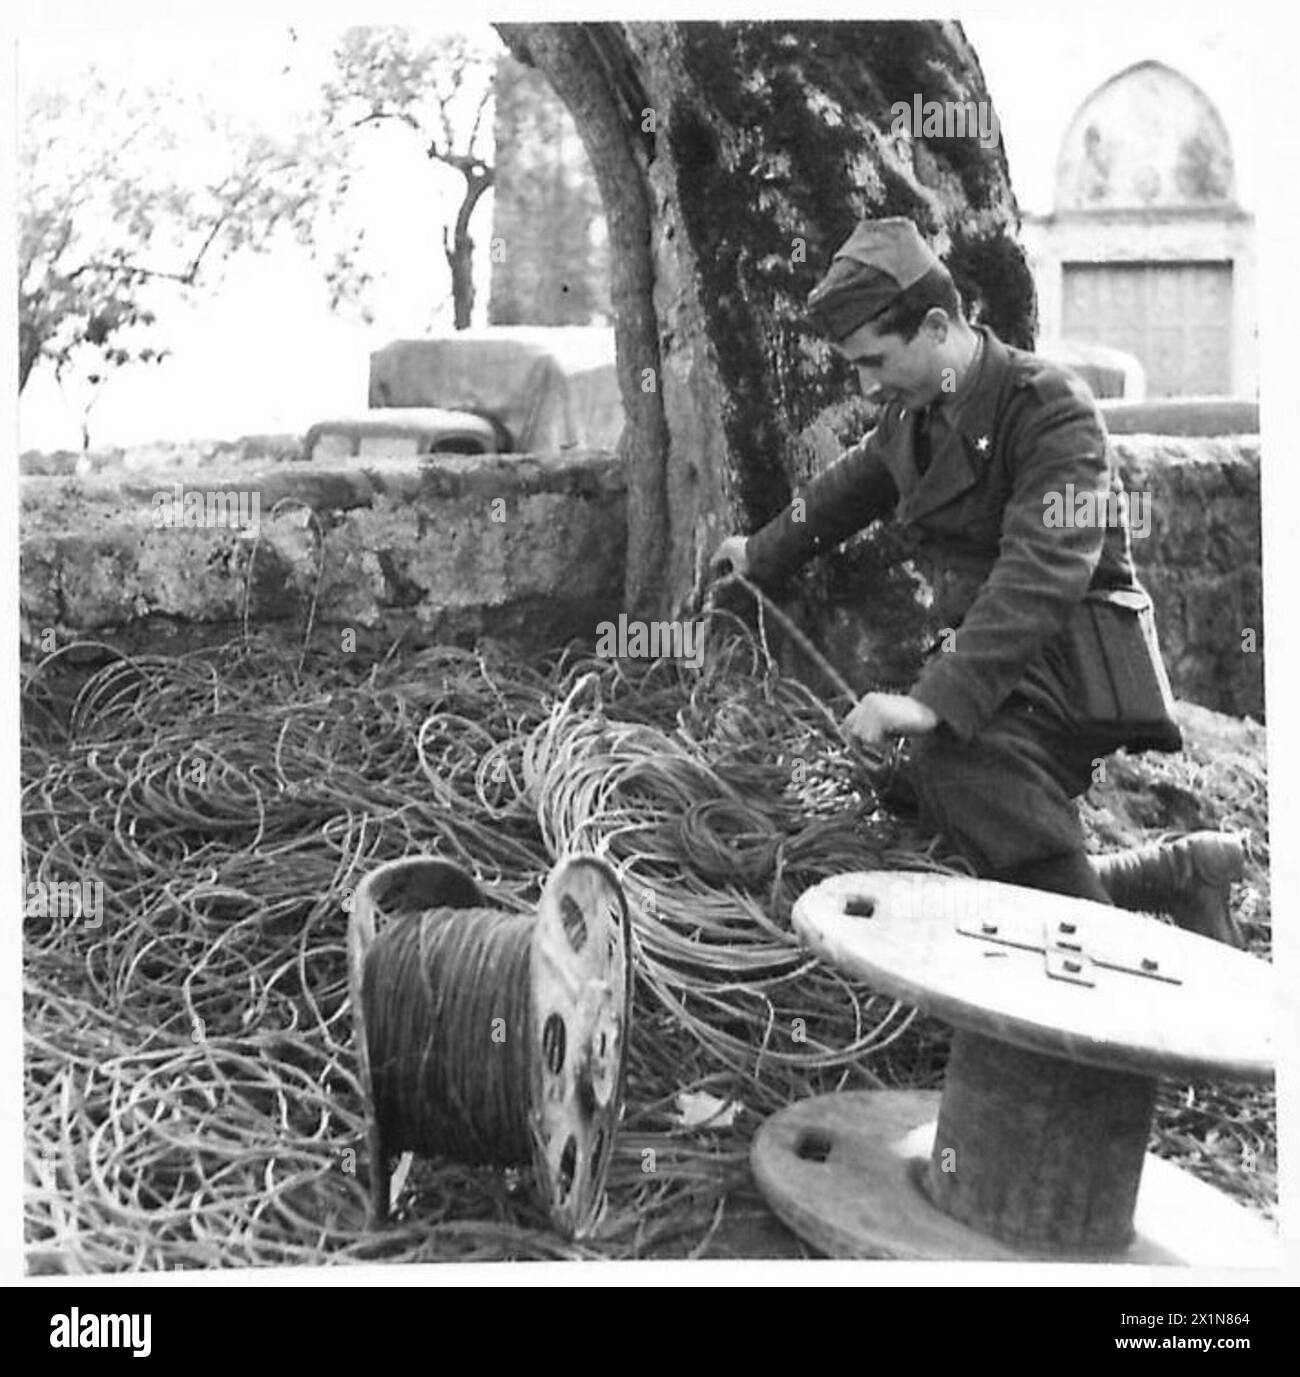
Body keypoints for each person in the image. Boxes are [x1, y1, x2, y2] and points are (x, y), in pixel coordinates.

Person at [711, 217, 1244, 946]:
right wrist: (761, 551)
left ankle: (1102, 991)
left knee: (964, 763)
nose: (866, 386)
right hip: (1002, 657)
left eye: (874, 360)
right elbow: (847, 489)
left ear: (935, 326)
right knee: (925, 797)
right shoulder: (918, 412)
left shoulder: (1052, 408)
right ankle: (1175, 873)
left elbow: (1042, 574)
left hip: (1070, 654)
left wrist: (935, 703)